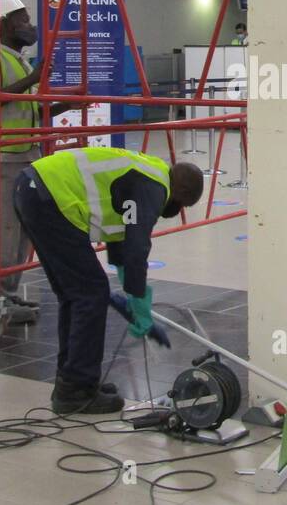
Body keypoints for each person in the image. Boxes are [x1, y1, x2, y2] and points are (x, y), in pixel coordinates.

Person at [14, 146, 204, 414]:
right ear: (180, 194)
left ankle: (72, 380)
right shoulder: (154, 187)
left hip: (34, 189)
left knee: (75, 293)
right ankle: (77, 388)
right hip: (52, 198)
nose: (175, 211)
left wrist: (129, 292)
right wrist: (139, 301)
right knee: (89, 293)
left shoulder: (148, 170)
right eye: (182, 206)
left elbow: (123, 240)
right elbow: (137, 247)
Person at [0, 0, 50, 324]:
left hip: (23, 154)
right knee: (4, 232)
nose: (29, 27)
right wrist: (33, 81)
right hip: (0, 158)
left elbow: (24, 110)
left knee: (21, 232)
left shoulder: (19, 61)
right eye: (21, 20)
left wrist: (64, 108)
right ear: (2, 24)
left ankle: (9, 294)